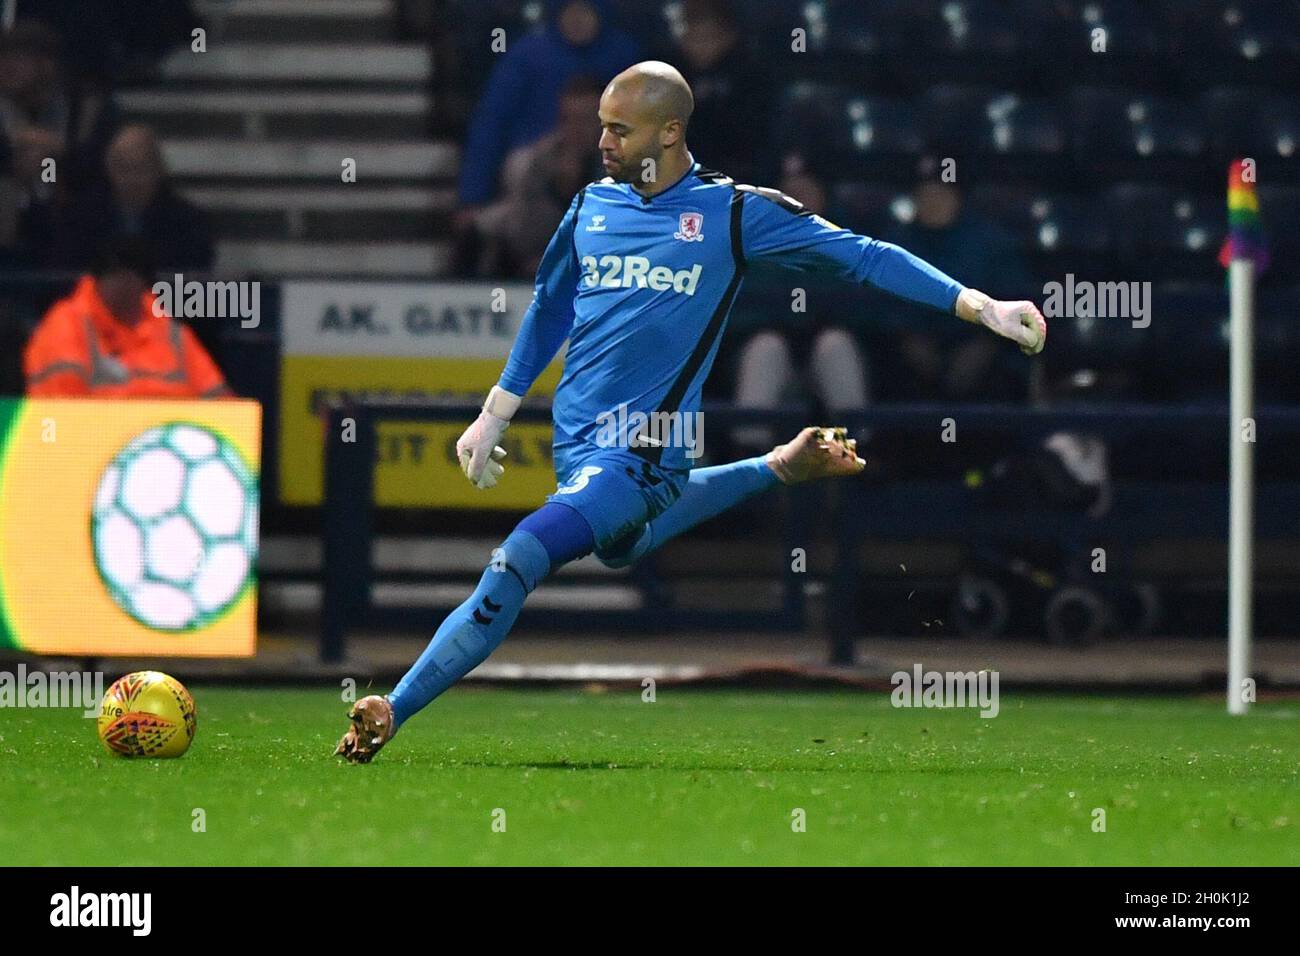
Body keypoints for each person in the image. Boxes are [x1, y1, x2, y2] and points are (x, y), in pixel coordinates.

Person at [336, 62, 1046, 762]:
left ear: (670, 132)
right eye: (602, 126)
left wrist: (977, 305)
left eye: (620, 128)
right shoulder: (590, 207)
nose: (602, 139)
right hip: (581, 446)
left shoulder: (733, 213)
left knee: (521, 552)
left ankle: (395, 707)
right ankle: (776, 467)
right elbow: (550, 304)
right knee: (622, 545)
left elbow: (861, 256)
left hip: (643, 450)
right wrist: (496, 411)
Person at [24, 237, 231, 398]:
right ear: (98, 279)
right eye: (114, 275)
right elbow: (62, 413)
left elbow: (220, 402)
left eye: (130, 276)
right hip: (92, 446)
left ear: (143, 283)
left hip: (171, 444)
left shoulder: (171, 332)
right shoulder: (66, 325)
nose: (122, 284)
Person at [53, 124, 215, 272]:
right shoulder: (80, 217)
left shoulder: (188, 221)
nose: (132, 179)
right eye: (124, 169)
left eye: (141, 169)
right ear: (109, 169)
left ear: (159, 169)